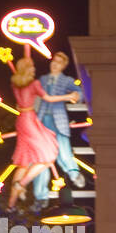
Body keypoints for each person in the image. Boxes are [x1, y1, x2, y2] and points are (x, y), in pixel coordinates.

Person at [0, 55, 80, 209]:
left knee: (23, 163)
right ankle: (21, 184)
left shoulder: (15, 83)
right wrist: (69, 96)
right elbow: (48, 98)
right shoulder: (35, 84)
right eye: (32, 67)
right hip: (30, 120)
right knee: (48, 157)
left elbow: (21, 103)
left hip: (22, 120)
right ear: (28, 69)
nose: (35, 69)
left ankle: (11, 205)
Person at [29, 50, 86, 210]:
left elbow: (79, 93)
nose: (55, 63)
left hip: (58, 121)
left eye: (59, 62)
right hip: (41, 122)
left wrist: (75, 95)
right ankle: (41, 196)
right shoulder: (42, 80)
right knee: (41, 160)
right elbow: (34, 97)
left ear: (63, 66)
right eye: (54, 60)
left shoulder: (66, 80)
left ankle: (75, 174)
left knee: (64, 151)